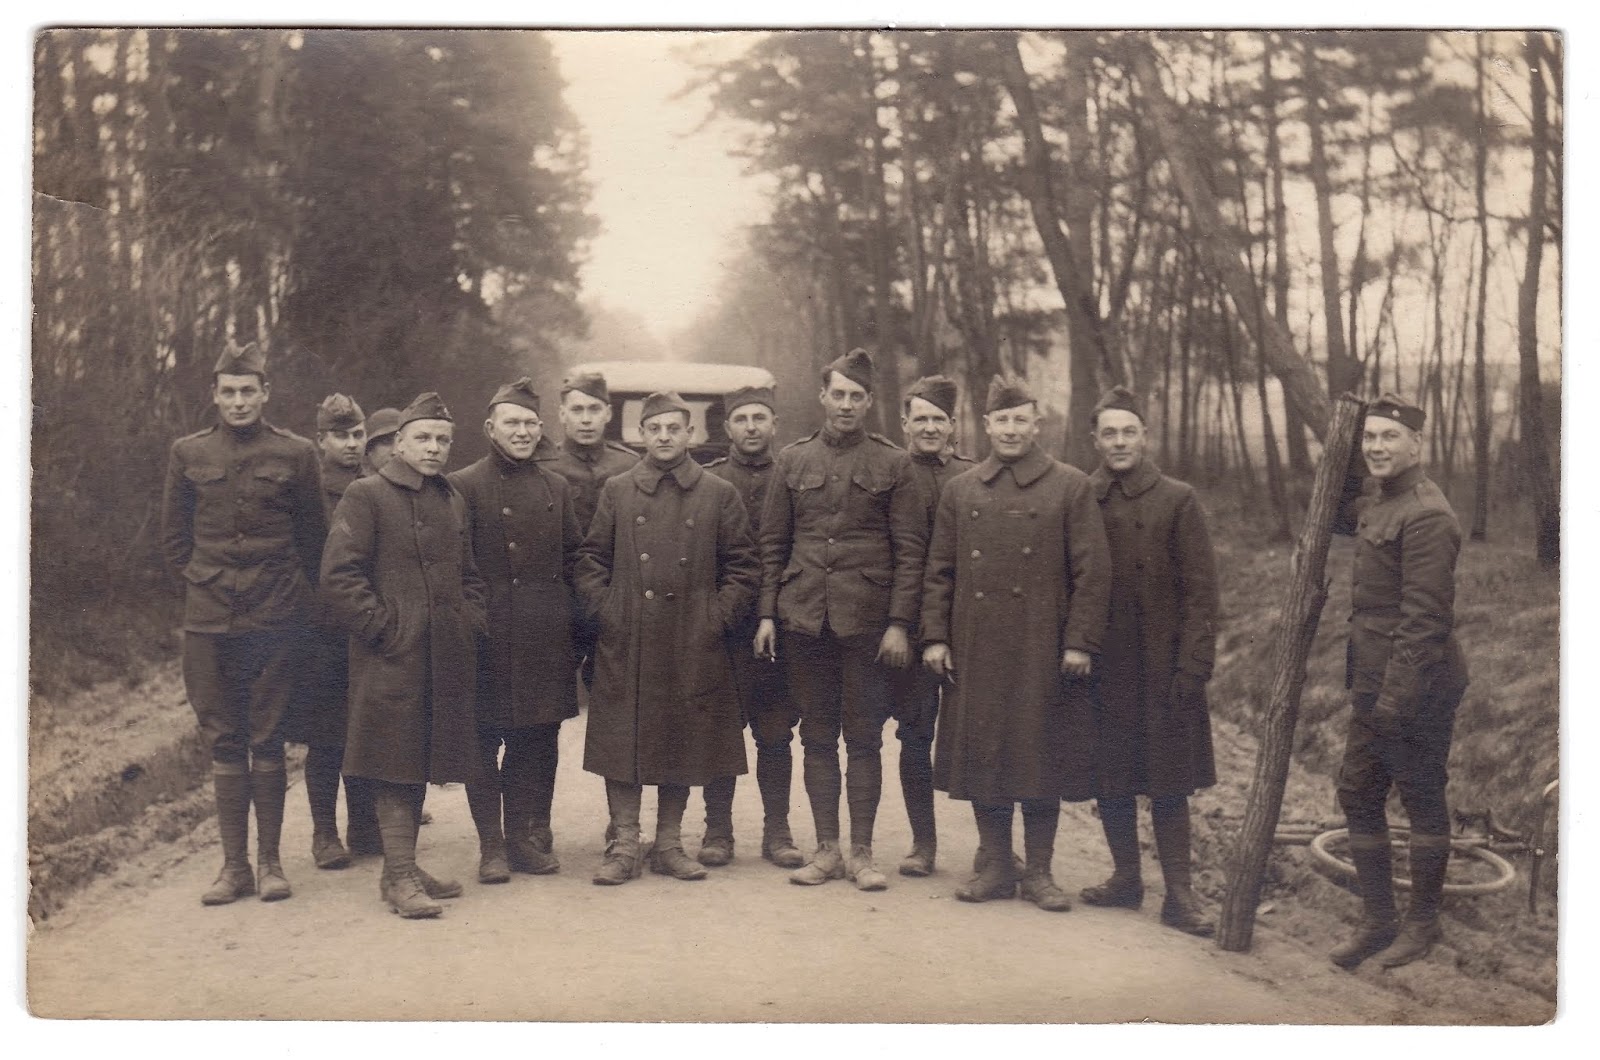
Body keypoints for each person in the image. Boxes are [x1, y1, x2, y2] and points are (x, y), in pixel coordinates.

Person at [920, 375, 1110, 912]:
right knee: (984, 755)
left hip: (1041, 646)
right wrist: (934, 635)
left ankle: (1042, 873)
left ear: (1036, 425)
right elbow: (939, 571)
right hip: (976, 643)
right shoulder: (963, 489)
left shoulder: (1070, 486)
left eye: (1019, 420)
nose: (1010, 429)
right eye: (1000, 421)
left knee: (1039, 756)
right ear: (985, 426)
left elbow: (1092, 572)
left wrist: (1079, 642)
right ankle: (998, 865)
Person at [159, 341, 327, 905]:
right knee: (224, 740)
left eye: (247, 391)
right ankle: (235, 869)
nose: (237, 402)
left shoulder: (298, 453)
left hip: (274, 618)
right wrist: (204, 580)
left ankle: (272, 864)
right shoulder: (187, 453)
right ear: (214, 395)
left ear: (265, 394)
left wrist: (287, 596)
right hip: (208, 622)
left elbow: (314, 541)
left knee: (268, 738)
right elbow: (174, 540)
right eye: (228, 392)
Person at [755, 348, 926, 892]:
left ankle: (862, 853)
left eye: (857, 397)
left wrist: (899, 623)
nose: (846, 405)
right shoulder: (792, 460)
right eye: (838, 394)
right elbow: (772, 546)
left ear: (869, 403)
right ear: (822, 397)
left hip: (868, 625)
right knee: (818, 737)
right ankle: (826, 849)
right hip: (804, 619)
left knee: (865, 738)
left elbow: (910, 551)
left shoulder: (893, 464)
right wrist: (766, 615)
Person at [576, 391, 759, 885]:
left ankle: (671, 842)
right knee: (623, 737)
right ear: (639, 434)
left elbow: (744, 567)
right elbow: (591, 560)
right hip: (629, 633)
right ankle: (625, 843)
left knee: (683, 737)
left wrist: (713, 618)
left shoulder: (718, 492)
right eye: (653, 428)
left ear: (691, 434)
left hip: (690, 635)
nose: (663, 437)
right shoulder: (618, 489)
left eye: (673, 429)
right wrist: (609, 611)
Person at [321, 392, 488, 919]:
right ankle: (396, 875)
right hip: (391, 656)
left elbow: (469, 574)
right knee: (394, 760)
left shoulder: (451, 498)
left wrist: (470, 618)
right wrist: (386, 630)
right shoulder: (366, 495)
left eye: (442, 440)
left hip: (444, 654)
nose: (434, 449)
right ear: (398, 442)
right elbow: (339, 578)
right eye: (423, 438)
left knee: (420, 760)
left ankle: (405, 867)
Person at [1327, 393, 1469, 969]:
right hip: (1374, 678)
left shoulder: (1428, 515)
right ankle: (1379, 921)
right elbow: (1338, 517)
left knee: (1420, 798)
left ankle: (1422, 925)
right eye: (1369, 439)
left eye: (1389, 437)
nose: (1378, 448)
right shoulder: (1379, 500)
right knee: (1358, 791)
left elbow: (1426, 619)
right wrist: (1341, 458)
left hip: (1419, 684)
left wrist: (1395, 700)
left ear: (1416, 443)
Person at [1079, 386, 1220, 937]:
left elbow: (1202, 592)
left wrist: (1193, 664)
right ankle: (1125, 879)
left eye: (1128, 432)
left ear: (1145, 436)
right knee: (1110, 775)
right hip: (1105, 663)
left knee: (1168, 780)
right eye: (1108, 433)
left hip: (1163, 666)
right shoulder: (1082, 496)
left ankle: (1180, 895)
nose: (1119, 442)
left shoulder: (1177, 499)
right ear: (1095, 440)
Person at [449, 379, 581, 883]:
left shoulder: (556, 488)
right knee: (485, 741)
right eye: (512, 423)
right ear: (490, 429)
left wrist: (578, 632)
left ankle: (524, 837)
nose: (522, 432)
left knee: (537, 741)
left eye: (529, 423)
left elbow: (573, 561)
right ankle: (491, 846)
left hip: (545, 634)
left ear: (541, 429)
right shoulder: (464, 485)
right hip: (486, 636)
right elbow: (455, 565)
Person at [699, 385, 803, 869]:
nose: (752, 427)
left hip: (782, 625)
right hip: (727, 625)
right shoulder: (708, 481)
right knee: (720, 731)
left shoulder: (797, 474)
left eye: (760, 417)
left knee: (775, 732)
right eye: (741, 419)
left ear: (775, 423)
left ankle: (777, 830)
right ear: (727, 428)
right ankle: (717, 830)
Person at [288, 393, 381, 869]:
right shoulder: (307, 491)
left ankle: (364, 826)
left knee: (365, 728)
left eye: (357, 434)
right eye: (341, 436)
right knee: (326, 736)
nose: (351, 444)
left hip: (365, 627)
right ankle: (324, 833)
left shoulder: (376, 485)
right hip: (321, 631)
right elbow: (299, 558)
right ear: (320, 440)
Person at [889, 375, 975, 877]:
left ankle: (995, 844)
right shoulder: (893, 475)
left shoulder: (974, 475)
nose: (928, 427)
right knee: (915, 733)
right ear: (904, 425)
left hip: (967, 626)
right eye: (919, 418)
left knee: (980, 733)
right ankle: (924, 844)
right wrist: (901, 625)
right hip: (911, 626)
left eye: (937, 419)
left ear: (953, 426)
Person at [545, 371, 640, 689]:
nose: (586, 420)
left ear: (609, 414)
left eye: (594, 410)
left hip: (614, 596)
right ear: (561, 414)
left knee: (615, 691)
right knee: (550, 696)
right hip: (560, 598)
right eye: (577, 410)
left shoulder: (631, 466)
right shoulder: (543, 466)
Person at [361, 406, 402, 476]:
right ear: (369, 450)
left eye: (401, 442)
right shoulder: (355, 485)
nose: (395, 452)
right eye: (386, 442)